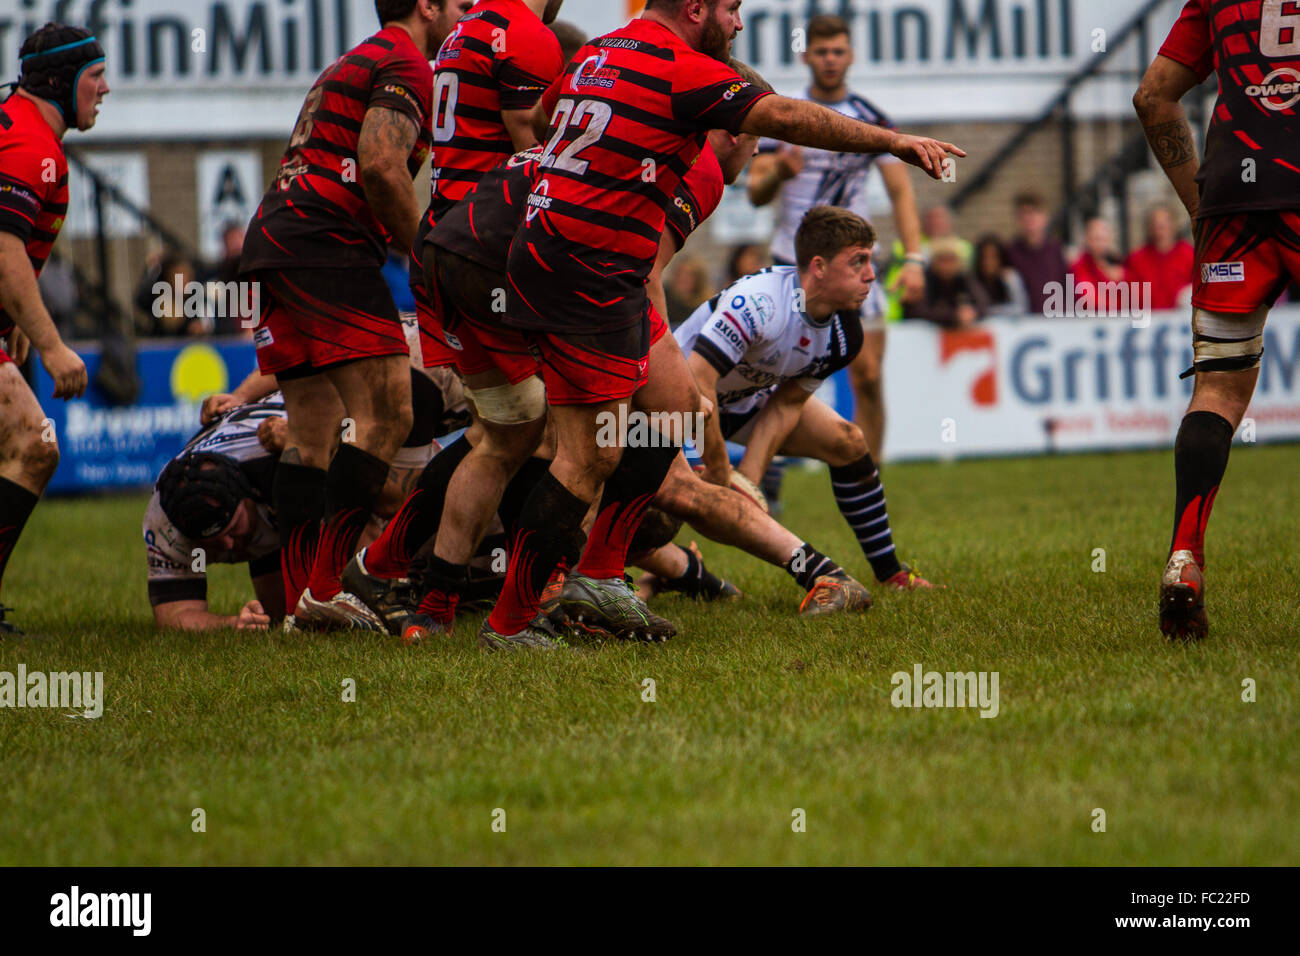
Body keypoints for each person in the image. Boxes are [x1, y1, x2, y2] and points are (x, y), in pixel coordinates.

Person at [484, 0, 960, 649]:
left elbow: (542, 121)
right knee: (597, 452)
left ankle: (591, 578)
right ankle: (516, 614)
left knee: (640, 431)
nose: (737, 24)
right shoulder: (683, 76)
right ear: (696, 7)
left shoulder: (597, 53)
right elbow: (787, 115)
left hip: (550, 257)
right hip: (591, 272)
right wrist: (894, 141)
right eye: (733, 9)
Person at [340, 0, 568, 640]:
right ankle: (532, 603)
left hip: (451, 249)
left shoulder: (465, 30)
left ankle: (407, 585)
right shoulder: (525, 33)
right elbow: (541, 165)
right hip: (489, 254)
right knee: (554, 433)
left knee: (508, 432)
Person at [238, 0, 466, 631]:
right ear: (426, 7)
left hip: (276, 238)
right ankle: (324, 588)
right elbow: (380, 166)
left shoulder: (353, 58)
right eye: (459, 4)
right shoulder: (407, 63)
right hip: (324, 241)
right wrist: (426, 256)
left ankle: (298, 608)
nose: (468, 13)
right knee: (390, 410)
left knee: (312, 432)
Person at [1135, 0, 1300, 640]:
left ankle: (1184, 560)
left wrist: (1203, 207)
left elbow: (1153, 98)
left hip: (1233, 199)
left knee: (1218, 390)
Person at [679, 206, 934, 599]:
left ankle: (890, 573)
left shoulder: (845, 332)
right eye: (858, 262)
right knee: (679, 505)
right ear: (818, 266)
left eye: (870, 260)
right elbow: (698, 381)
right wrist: (717, 466)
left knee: (848, 442)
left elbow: (785, 405)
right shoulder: (759, 303)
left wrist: (746, 479)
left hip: (739, 403)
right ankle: (676, 574)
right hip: (671, 407)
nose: (871, 274)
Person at [746, 13, 926, 462]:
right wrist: (779, 175)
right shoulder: (785, 115)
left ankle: (867, 475)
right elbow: (754, 192)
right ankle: (768, 476)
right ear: (807, 56)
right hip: (793, 265)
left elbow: (901, 192)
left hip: (856, 268)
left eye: (838, 51)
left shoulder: (872, 119)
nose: (830, 60)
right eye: (822, 51)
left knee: (867, 377)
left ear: (851, 55)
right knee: (769, 377)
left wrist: (916, 259)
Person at [0, 23, 103, 633]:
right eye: (95, 77)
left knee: (29, 447)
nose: (106, 88)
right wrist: (51, 344)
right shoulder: (32, 147)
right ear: (63, 83)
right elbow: (5, 252)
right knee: (32, 447)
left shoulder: (17, 123)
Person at [1005, 191, 1068, 315]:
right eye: (1024, 214)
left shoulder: (1055, 250)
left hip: (1057, 319)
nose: (1029, 218)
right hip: (1026, 322)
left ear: (1044, 217)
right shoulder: (1010, 252)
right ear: (1018, 219)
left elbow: (1066, 285)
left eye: (1034, 213)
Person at [906, 236, 990, 328]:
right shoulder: (925, 279)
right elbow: (919, 311)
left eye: (951, 260)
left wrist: (972, 312)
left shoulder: (964, 278)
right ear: (934, 261)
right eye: (943, 260)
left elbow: (983, 301)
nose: (947, 266)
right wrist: (953, 315)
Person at [1125, 204, 1194, 311]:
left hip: (1182, 322)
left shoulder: (1189, 255)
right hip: (1149, 321)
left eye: (1163, 225)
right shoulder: (1136, 259)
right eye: (1156, 226)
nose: (1160, 230)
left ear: (1173, 225)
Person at [1069, 217, 1133, 314]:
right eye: (1096, 239)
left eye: (1103, 239)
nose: (1100, 245)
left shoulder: (1116, 264)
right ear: (1087, 240)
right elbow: (1090, 301)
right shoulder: (1079, 267)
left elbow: (1136, 296)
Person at [972, 234, 1029, 317]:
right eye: (984, 257)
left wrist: (1011, 282)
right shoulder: (973, 281)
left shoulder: (1010, 278)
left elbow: (1021, 308)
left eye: (993, 257)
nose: (988, 262)